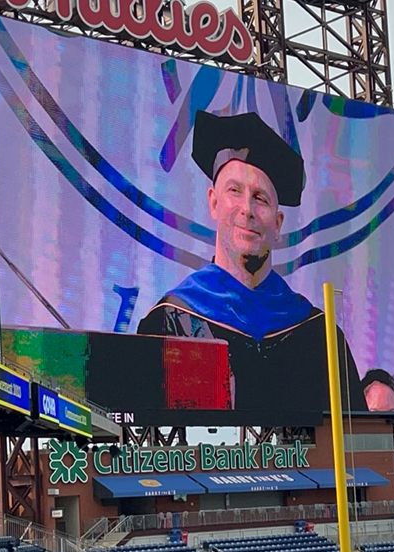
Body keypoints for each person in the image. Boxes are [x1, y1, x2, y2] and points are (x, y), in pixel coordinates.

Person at [138, 110, 368, 413]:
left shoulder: (319, 337)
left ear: (278, 222)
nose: (247, 209)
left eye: (261, 198)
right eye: (235, 191)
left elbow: (359, 447)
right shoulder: (170, 321)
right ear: (214, 202)